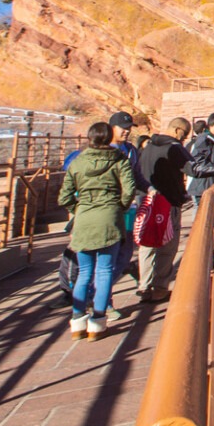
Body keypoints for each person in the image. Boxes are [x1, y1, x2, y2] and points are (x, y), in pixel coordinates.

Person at [60, 122, 137, 340]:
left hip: (84, 219)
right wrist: (118, 207)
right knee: (104, 272)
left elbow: (64, 196)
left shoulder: (78, 161)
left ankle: (77, 321)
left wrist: (80, 209)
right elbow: (129, 189)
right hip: (110, 218)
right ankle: (98, 322)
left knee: (84, 272)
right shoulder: (119, 159)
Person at [137, 117, 192, 302]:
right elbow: (193, 169)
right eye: (184, 135)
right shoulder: (174, 147)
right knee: (167, 246)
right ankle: (160, 287)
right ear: (178, 131)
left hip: (147, 201)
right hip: (168, 202)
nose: (184, 139)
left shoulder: (148, 146)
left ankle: (144, 286)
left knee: (147, 245)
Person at [186, 116, 214, 198]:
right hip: (202, 185)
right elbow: (198, 163)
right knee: (201, 210)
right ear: (211, 125)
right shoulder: (204, 139)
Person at [109, 111, 147, 190]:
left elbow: (136, 176)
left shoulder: (131, 150)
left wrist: (149, 188)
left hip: (127, 198)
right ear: (112, 128)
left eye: (129, 128)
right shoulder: (102, 149)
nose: (127, 131)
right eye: (123, 128)